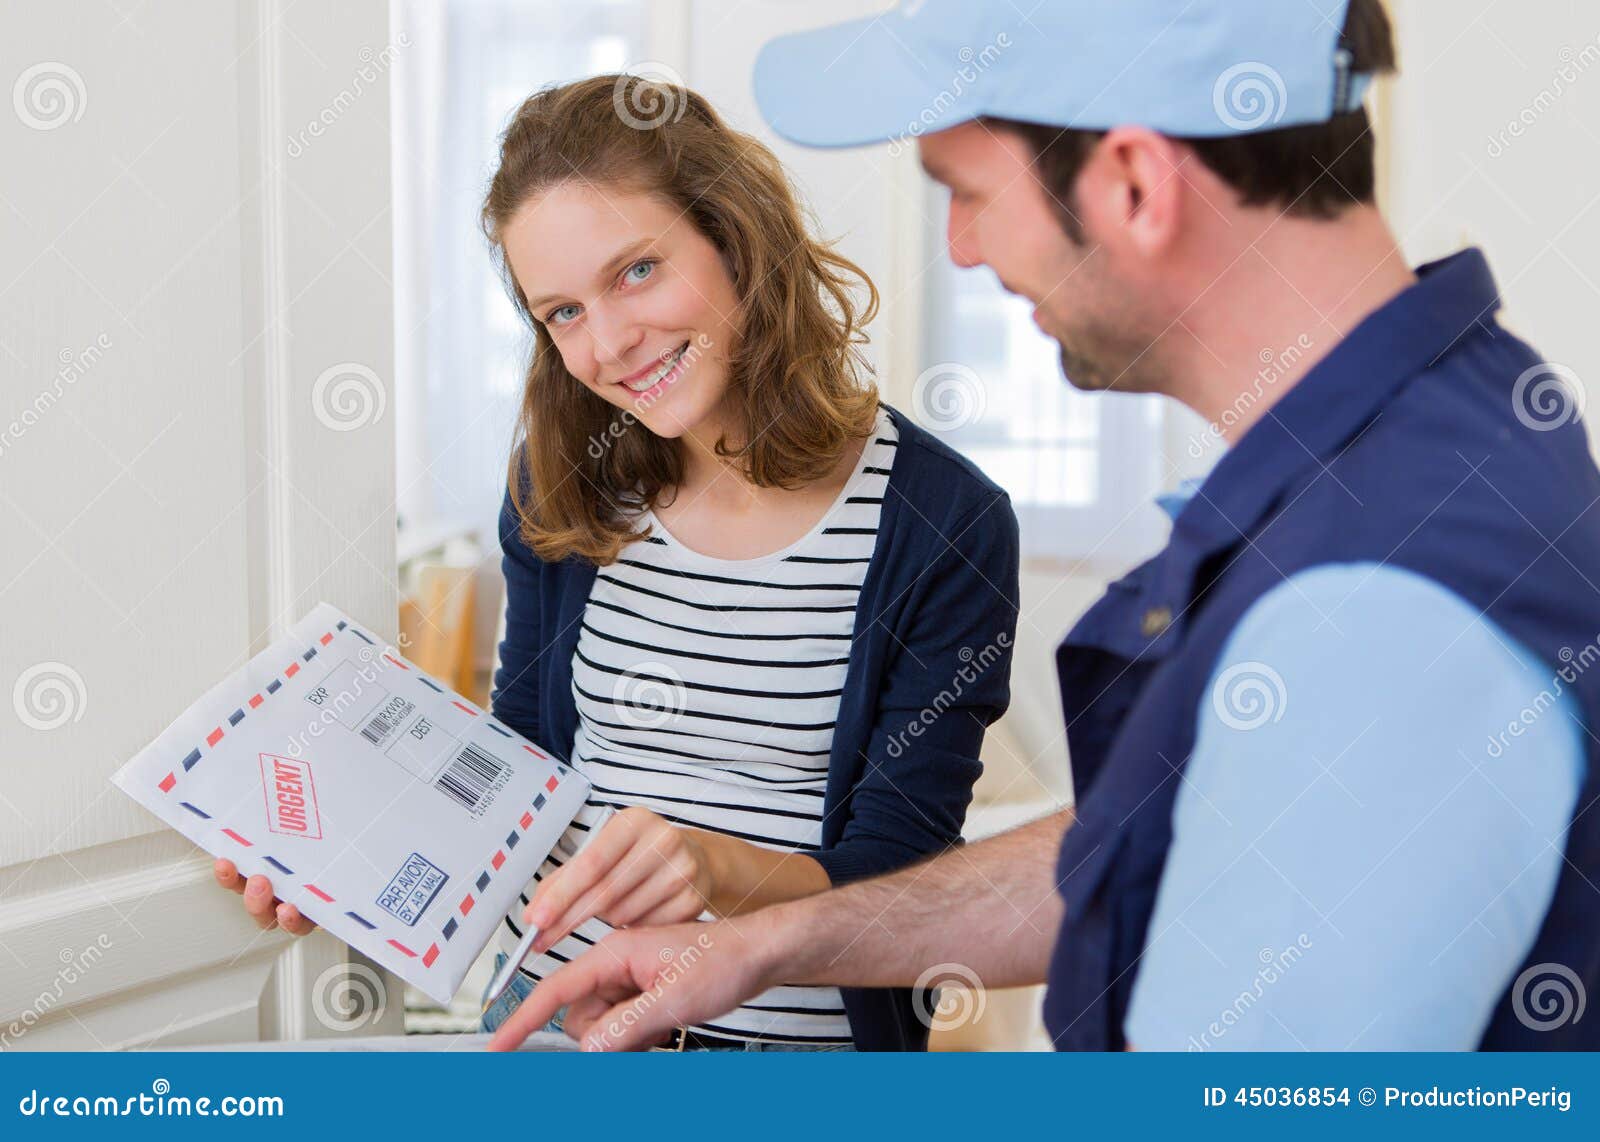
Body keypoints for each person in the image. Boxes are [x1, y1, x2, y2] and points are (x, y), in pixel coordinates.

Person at [488, 0, 1600, 1052]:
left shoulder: (1373, 605)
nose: (962, 248)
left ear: (1133, 186)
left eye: (968, 191)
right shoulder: (1403, 462)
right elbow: (1152, 850)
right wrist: (760, 945)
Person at [217, 73, 1020, 1052]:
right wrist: (342, 852)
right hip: (555, 1025)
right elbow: (518, 771)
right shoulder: (564, 486)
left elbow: (907, 883)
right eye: (561, 312)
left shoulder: (942, 521)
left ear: (736, 239)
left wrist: (715, 865)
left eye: (636, 270)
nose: (607, 345)